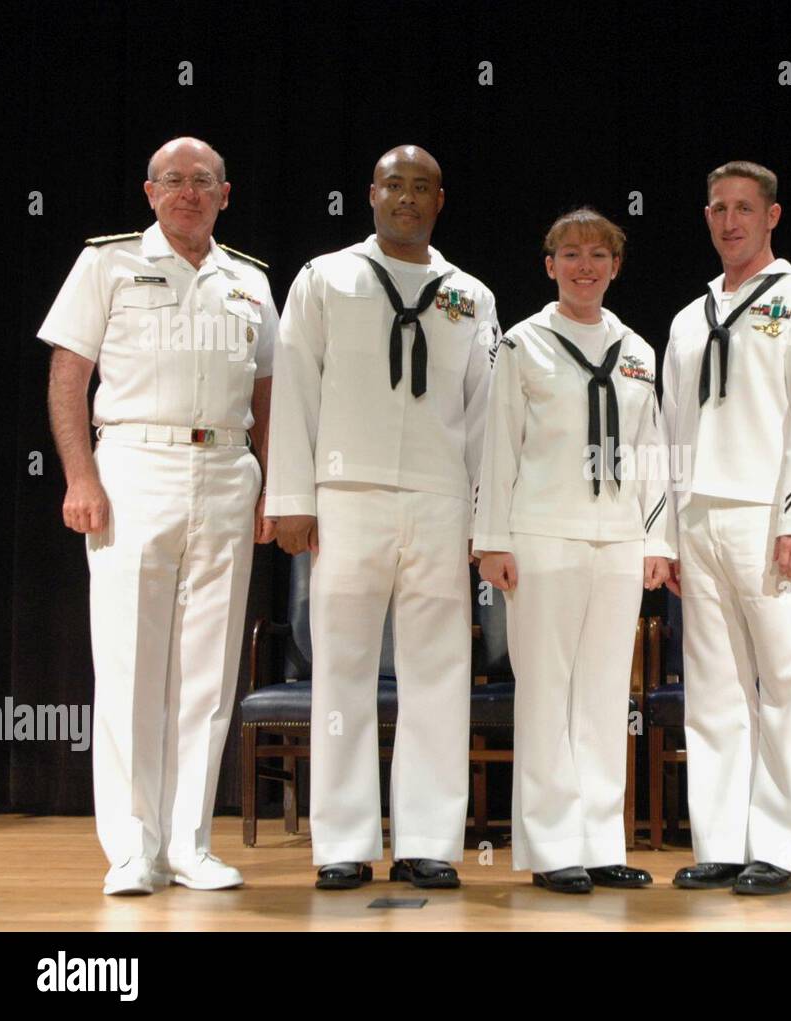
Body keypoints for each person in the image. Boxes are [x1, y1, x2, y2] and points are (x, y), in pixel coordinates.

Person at [39, 136, 277, 895]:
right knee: (132, 665)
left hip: (229, 467)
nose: (187, 192)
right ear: (149, 192)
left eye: (202, 181)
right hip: (135, 463)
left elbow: (268, 392)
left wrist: (273, 486)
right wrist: (80, 475)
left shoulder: (250, 280)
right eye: (172, 181)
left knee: (207, 674)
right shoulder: (106, 262)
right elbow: (68, 377)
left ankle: (189, 843)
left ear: (225, 193)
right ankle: (132, 850)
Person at [265, 145, 498, 891]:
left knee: (439, 672)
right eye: (394, 184)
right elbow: (295, 388)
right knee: (341, 670)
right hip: (345, 496)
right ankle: (342, 839)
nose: (406, 197)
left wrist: (483, 517)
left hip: (437, 499)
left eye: (421, 186)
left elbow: (486, 415)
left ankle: (429, 838)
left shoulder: (471, 294)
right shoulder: (325, 277)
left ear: (440, 199)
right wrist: (291, 499)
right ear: (370, 194)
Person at [475, 208, 675, 894]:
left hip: (617, 538)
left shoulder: (640, 351)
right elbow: (497, 445)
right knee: (546, 695)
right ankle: (553, 844)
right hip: (540, 534)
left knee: (601, 695)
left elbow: (654, 454)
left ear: (616, 266)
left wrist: (657, 538)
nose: (584, 265)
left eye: (598, 254)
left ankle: (599, 839)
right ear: (549, 264)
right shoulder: (522, 344)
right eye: (570, 254)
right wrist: (491, 540)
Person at [662, 161, 791, 894]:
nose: (730, 221)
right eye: (718, 208)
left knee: (788, 682)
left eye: (744, 208)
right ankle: (723, 840)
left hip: (770, 519)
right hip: (699, 518)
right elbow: (668, 430)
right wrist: (666, 532)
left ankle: (785, 844)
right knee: (712, 688)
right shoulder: (689, 314)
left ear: (772, 216)